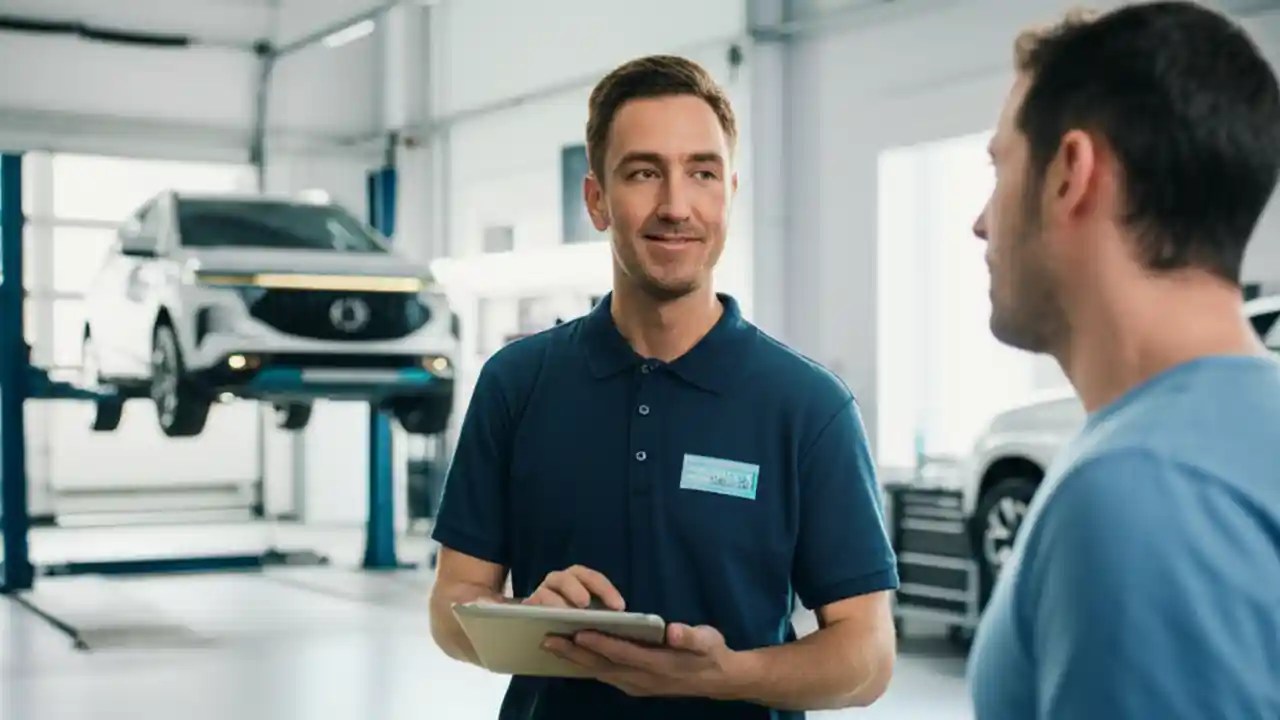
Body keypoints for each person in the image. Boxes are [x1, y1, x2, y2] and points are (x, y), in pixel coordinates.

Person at [428, 54, 898, 719]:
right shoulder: (517, 385)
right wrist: (518, 620)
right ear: (597, 200)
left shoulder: (808, 407)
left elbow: (868, 658)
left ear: (729, 192)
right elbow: (452, 606)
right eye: (644, 173)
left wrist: (727, 674)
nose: (676, 205)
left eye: (701, 173)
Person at [967, 3, 1280, 718]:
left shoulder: (1139, 489)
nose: (981, 221)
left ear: (1070, 173)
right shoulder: (1243, 440)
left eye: (1000, 167)